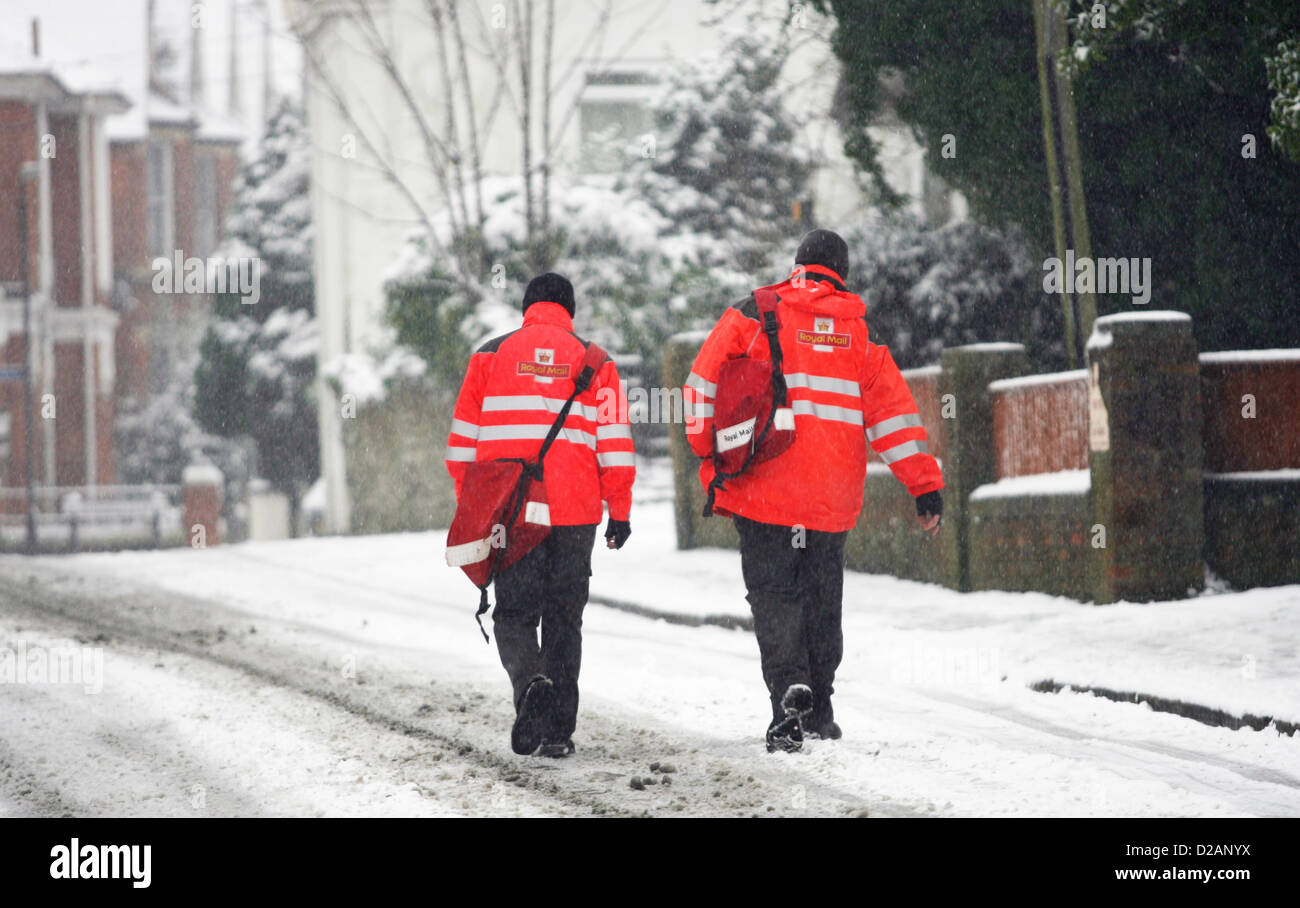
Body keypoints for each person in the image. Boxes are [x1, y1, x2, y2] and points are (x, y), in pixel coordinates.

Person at [682, 230, 944, 753]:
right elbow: (894, 420)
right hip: (829, 502)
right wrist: (925, 486)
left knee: (774, 596)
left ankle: (788, 688)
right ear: (841, 273)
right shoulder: (861, 337)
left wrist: (708, 452)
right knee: (823, 601)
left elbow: (699, 389)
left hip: (763, 495)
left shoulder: (753, 313)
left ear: (797, 266)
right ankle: (820, 707)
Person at [445, 273, 635, 757]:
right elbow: (613, 441)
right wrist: (620, 509)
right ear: (569, 310)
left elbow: (463, 445)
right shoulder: (599, 362)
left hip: (515, 515)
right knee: (564, 619)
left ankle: (531, 685)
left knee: (514, 613)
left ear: (526, 308)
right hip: (576, 513)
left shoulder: (489, 355)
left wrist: (475, 504)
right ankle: (557, 732)